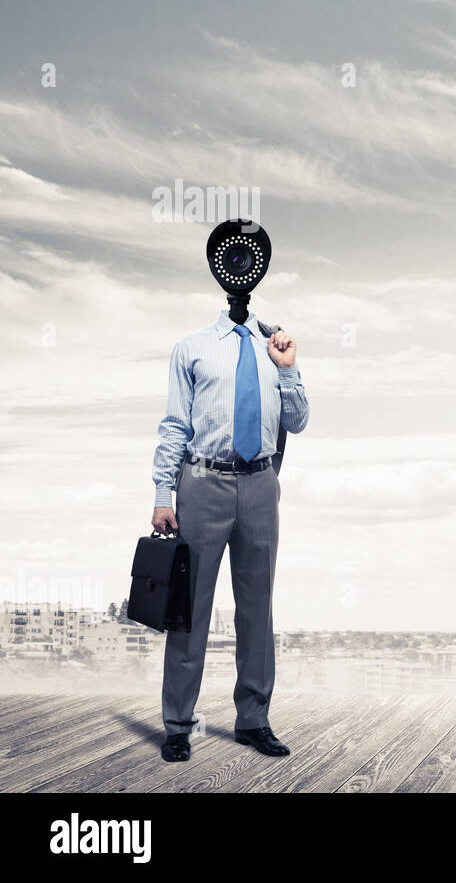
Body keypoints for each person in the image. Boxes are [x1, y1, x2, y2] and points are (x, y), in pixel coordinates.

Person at [150, 308, 308, 762]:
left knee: (258, 608)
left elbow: (297, 422)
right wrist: (164, 492)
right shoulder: (192, 347)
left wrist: (289, 369)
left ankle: (253, 721)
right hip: (201, 482)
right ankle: (179, 725)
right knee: (189, 607)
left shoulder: (275, 348)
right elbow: (176, 424)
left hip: (260, 483)